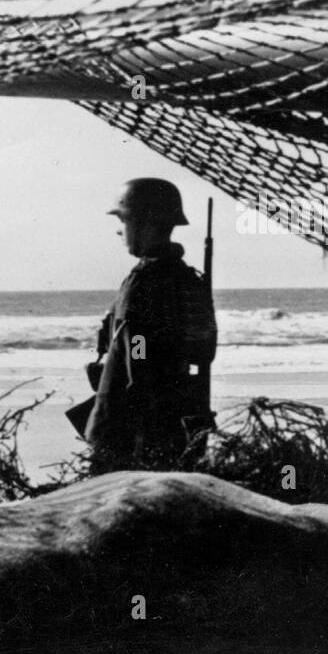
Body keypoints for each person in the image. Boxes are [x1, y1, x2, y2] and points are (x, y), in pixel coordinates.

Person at [81, 178, 217, 474]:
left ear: (144, 223)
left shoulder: (144, 282)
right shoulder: (186, 279)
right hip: (176, 418)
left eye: (124, 220)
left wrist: (138, 401)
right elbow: (202, 350)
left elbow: (138, 348)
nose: (120, 230)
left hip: (132, 428)